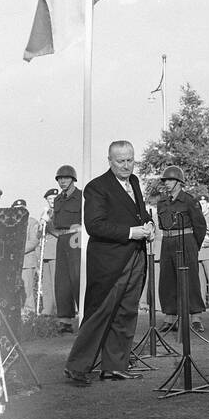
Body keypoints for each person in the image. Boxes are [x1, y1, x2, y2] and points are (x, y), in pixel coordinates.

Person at [62, 142, 155, 385]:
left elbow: (140, 213)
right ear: (110, 161)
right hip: (109, 261)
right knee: (101, 311)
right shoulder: (96, 187)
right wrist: (130, 232)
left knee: (127, 310)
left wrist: (149, 226)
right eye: (121, 161)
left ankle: (114, 366)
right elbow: (94, 225)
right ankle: (77, 367)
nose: (126, 165)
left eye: (130, 160)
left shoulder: (134, 182)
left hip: (135, 256)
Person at [155, 166, 206, 334]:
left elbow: (200, 226)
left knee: (190, 279)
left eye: (170, 180)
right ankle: (170, 318)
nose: (167, 183)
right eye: (165, 180)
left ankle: (196, 318)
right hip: (167, 242)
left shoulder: (189, 200)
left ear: (179, 182)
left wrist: (193, 246)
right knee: (167, 280)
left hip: (186, 241)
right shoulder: (162, 202)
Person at [49, 165, 82, 333]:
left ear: (73, 179)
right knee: (61, 279)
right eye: (60, 179)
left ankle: (84, 316)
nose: (62, 181)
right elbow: (55, 223)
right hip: (61, 238)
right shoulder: (57, 200)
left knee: (77, 277)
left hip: (75, 238)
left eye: (66, 178)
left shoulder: (81, 197)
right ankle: (65, 320)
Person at [19, 200, 42, 315]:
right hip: (14, 263)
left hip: (26, 263)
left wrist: (17, 250)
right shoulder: (12, 223)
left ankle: (29, 314)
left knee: (27, 290)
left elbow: (34, 241)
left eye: (22, 208)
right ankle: (19, 313)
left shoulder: (32, 222)